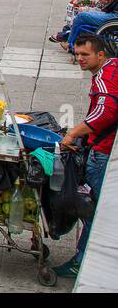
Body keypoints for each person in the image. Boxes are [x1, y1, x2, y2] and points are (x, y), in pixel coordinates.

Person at [52, 34, 117, 280]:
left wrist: (72, 135)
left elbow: (105, 112)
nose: (79, 59)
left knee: (92, 209)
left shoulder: (103, 79)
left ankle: (83, 262)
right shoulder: (113, 68)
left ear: (100, 55)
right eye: (77, 54)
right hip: (107, 147)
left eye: (85, 55)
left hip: (102, 153)